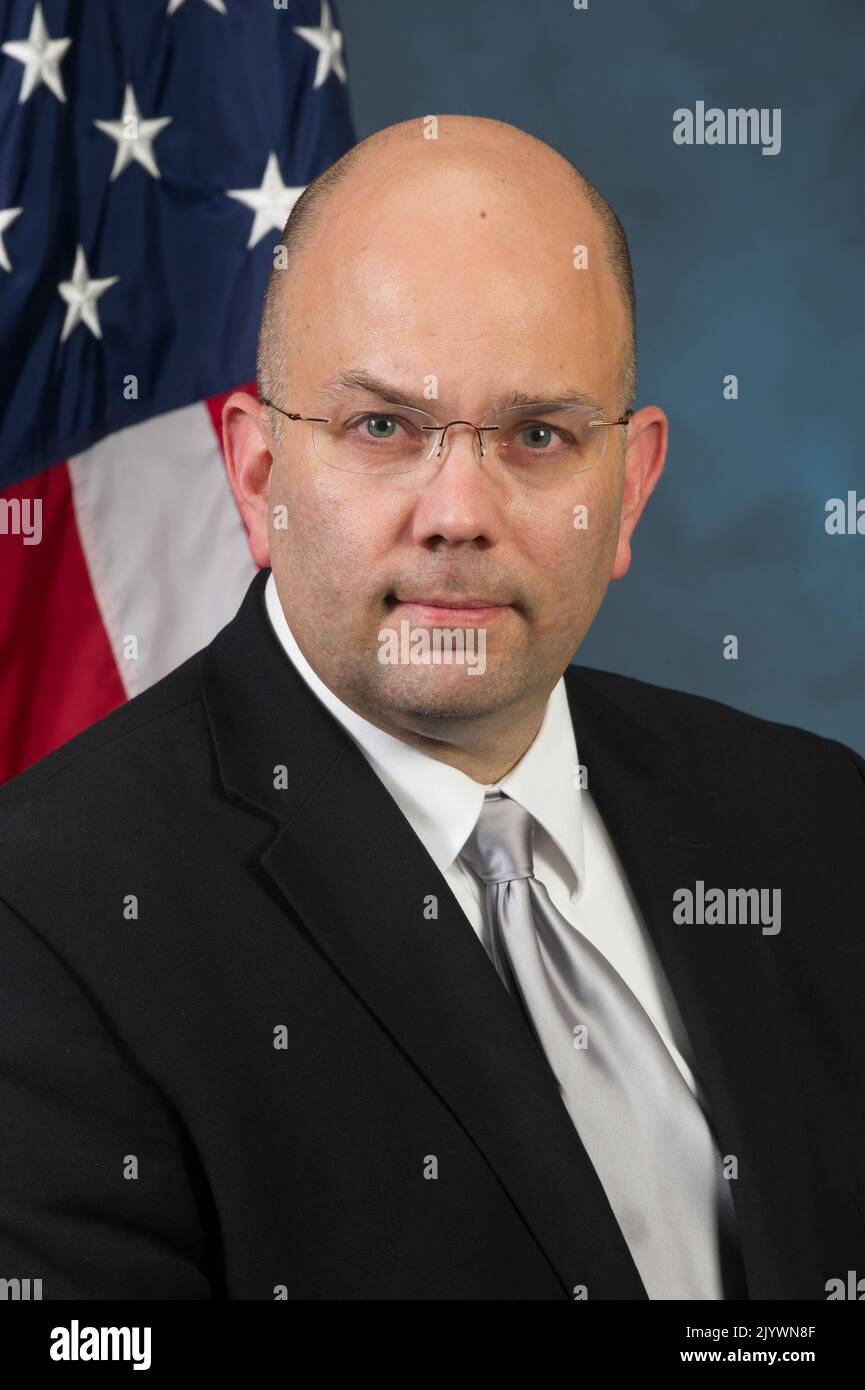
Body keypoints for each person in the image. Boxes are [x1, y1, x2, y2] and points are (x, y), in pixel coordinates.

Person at [0, 116, 863, 1301]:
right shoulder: (46, 919)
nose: (457, 511)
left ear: (629, 489)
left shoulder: (815, 818)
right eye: (384, 427)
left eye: (538, 435)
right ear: (258, 479)